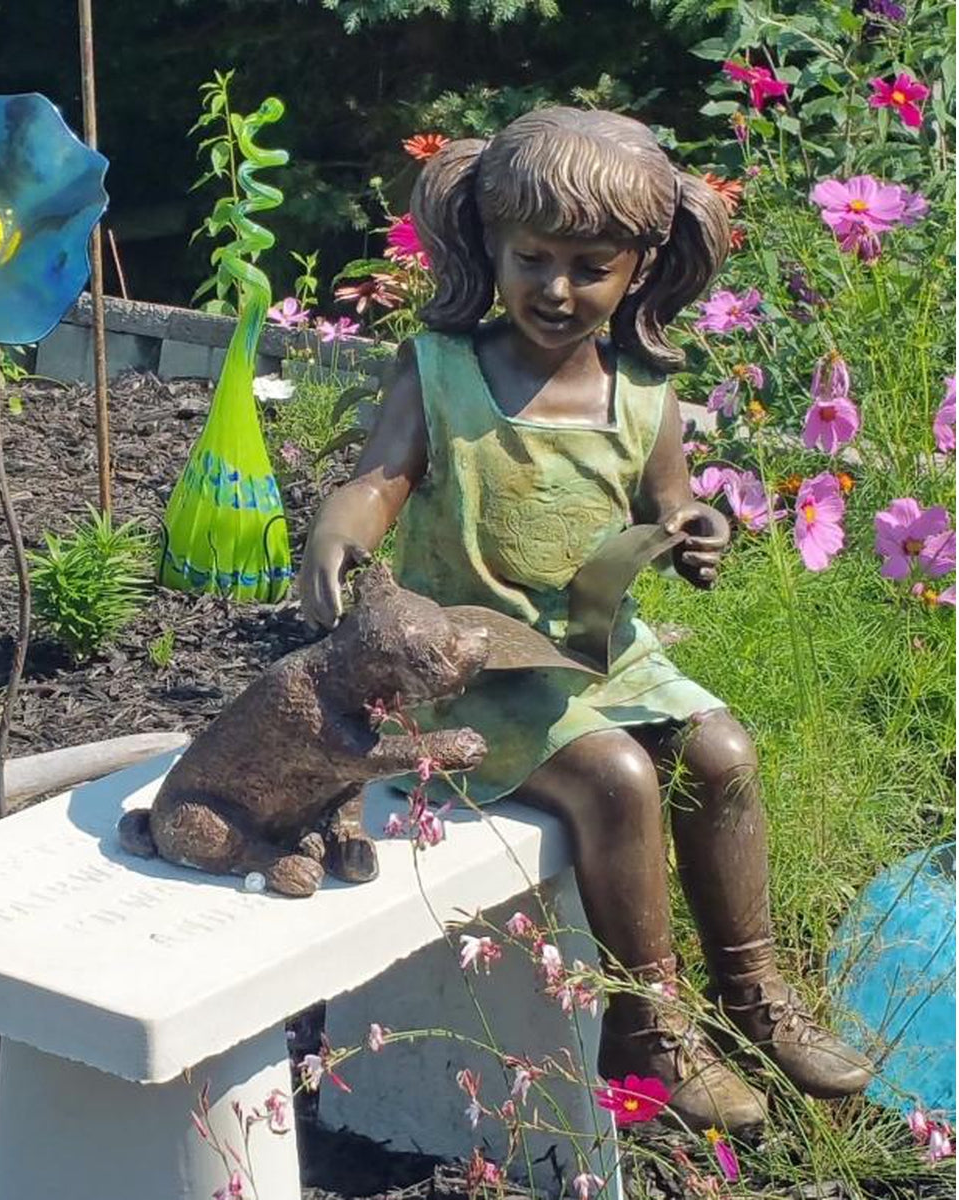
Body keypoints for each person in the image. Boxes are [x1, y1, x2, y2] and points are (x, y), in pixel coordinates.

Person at [298, 107, 873, 1132]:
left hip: (598, 650)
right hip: (463, 666)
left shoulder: (643, 395)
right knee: (616, 775)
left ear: (642, 267)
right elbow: (381, 480)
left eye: (590, 266)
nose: (557, 290)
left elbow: (671, 502)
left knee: (724, 752)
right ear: (489, 244)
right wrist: (339, 528)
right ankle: (645, 1024)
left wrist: (696, 528)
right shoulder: (442, 373)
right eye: (534, 259)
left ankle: (757, 998)